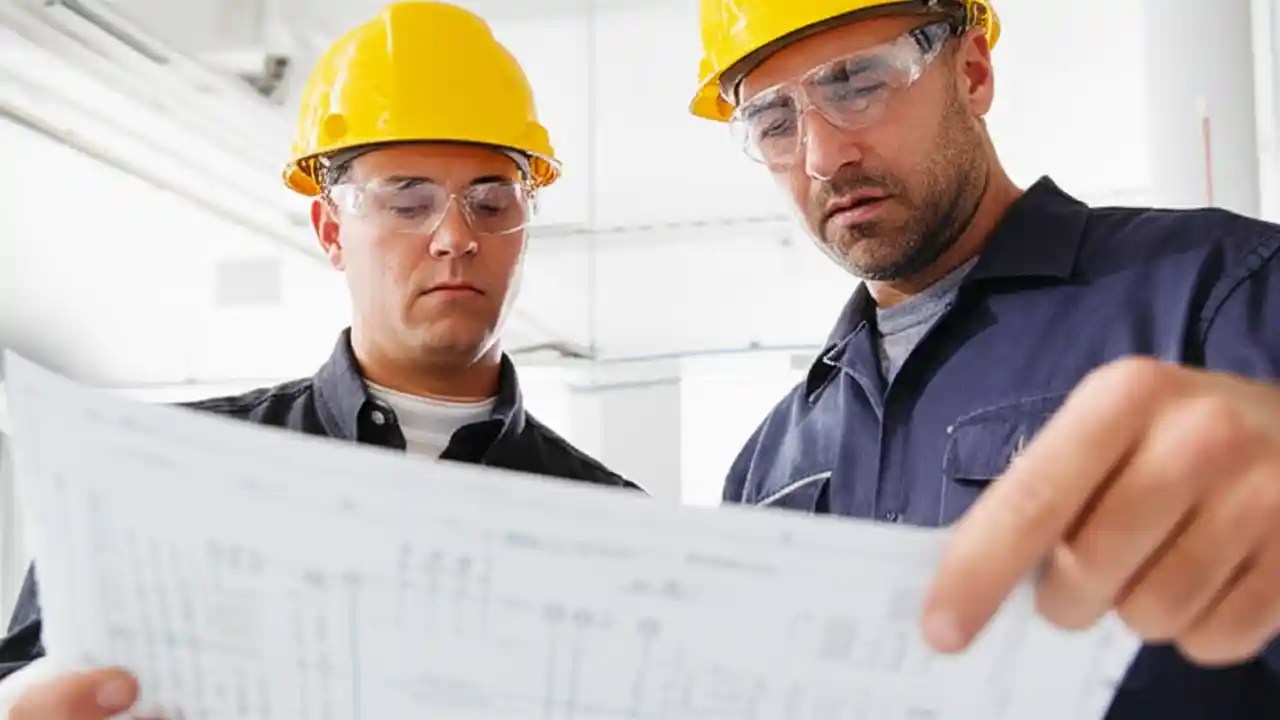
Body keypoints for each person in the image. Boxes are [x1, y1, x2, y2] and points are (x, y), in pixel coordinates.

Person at [0, 2, 639, 717]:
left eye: (491, 204)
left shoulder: (619, 532)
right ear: (332, 230)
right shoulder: (156, 479)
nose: (455, 237)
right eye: (409, 203)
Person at [690, 0, 1279, 717]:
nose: (822, 158)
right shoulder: (769, 466)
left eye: (857, 85)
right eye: (775, 123)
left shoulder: (1221, 291)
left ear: (971, 73)